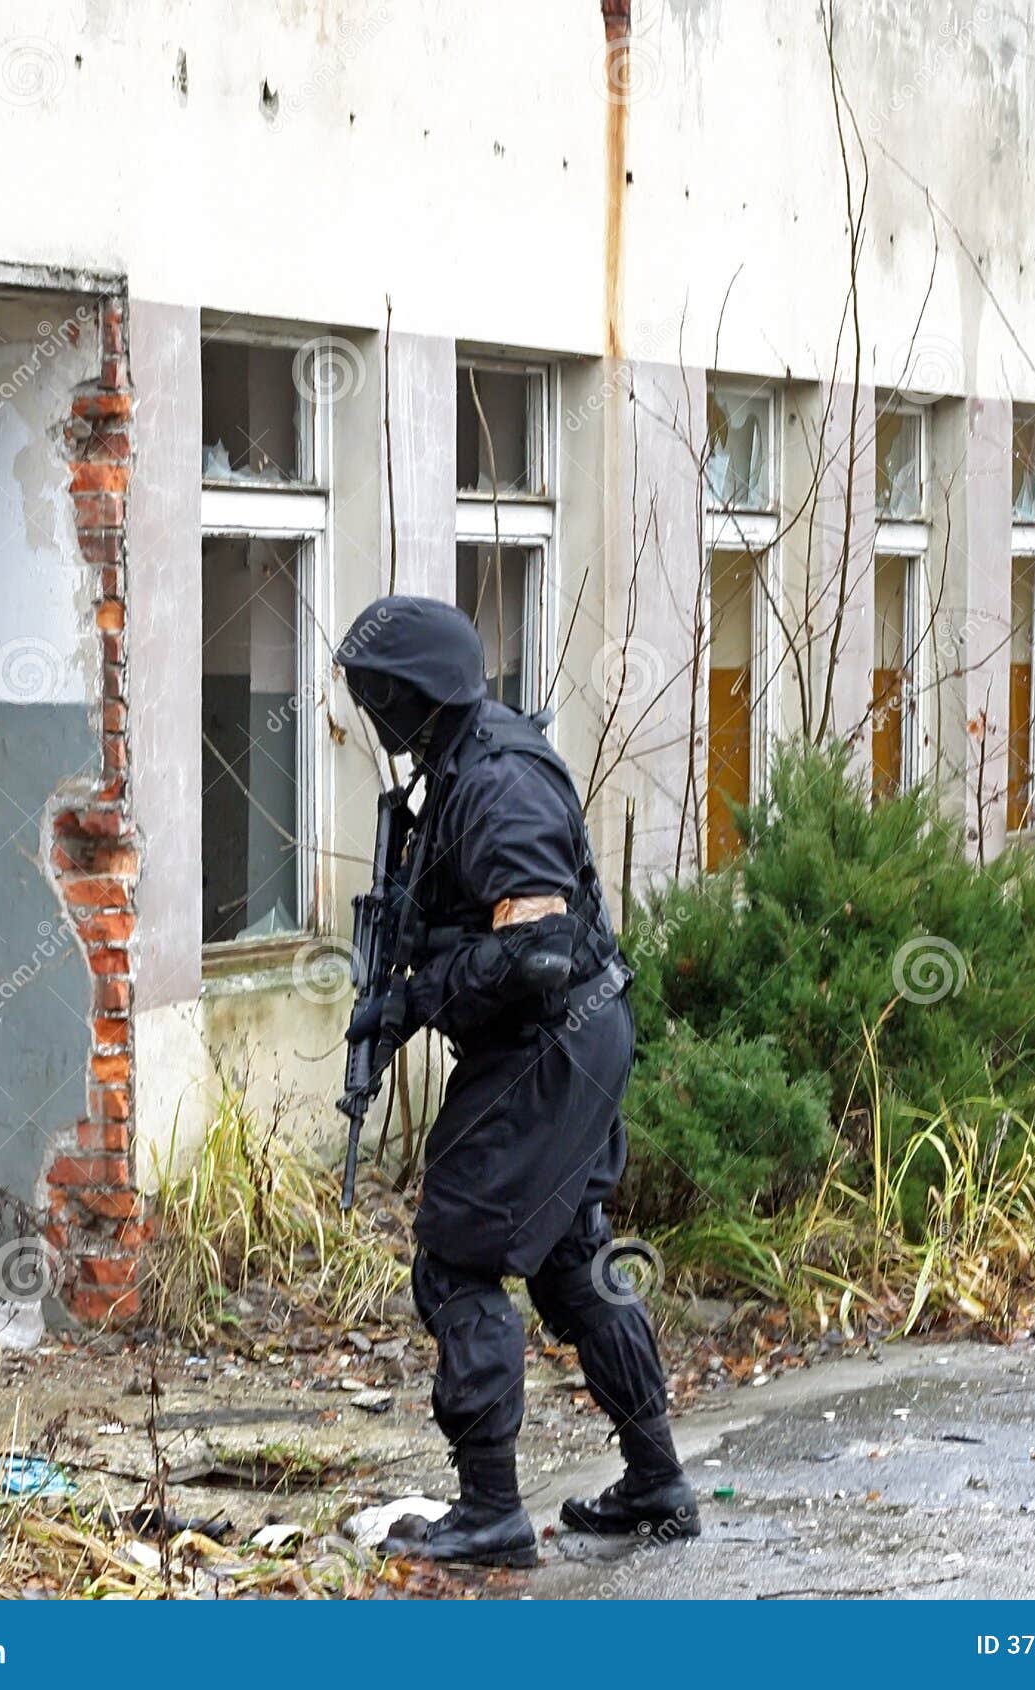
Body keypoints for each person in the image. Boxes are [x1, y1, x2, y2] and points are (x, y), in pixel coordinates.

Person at [334, 594, 699, 1568]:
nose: (372, 715)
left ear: (414, 696)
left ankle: (490, 1511)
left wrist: (420, 996)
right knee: (571, 1258)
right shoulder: (459, 766)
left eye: (379, 697)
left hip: (551, 1040)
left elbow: (535, 948)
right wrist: (401, 994)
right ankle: (656, 1479)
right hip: (564, 1038)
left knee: (455, 1259)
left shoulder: (495, 780)